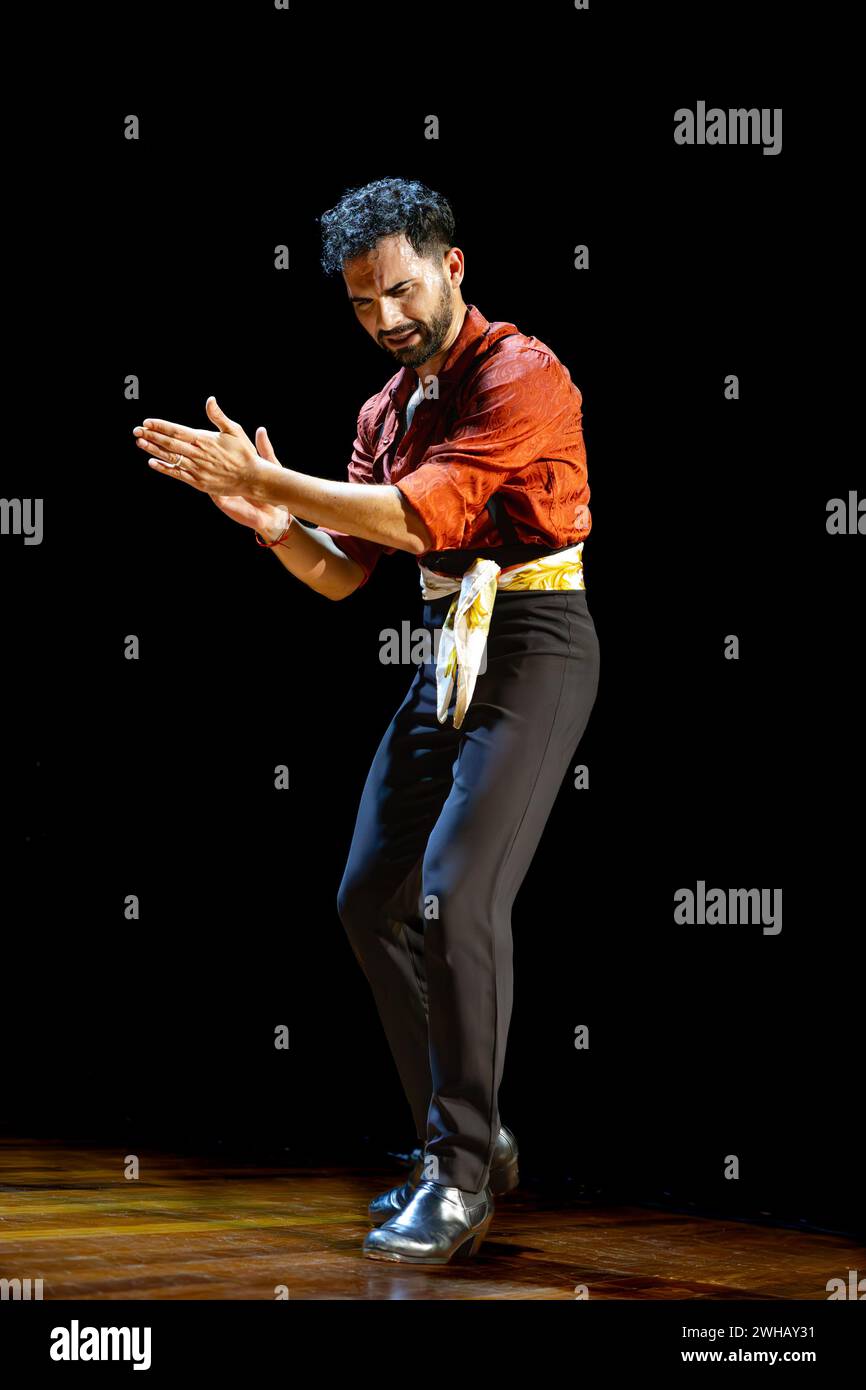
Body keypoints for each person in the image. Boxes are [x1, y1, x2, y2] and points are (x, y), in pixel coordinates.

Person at [133, 176, 600, 1267]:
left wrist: (278, 478)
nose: (385, 319)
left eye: (399, 291)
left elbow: (418, 512)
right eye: (359, 304)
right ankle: (470, 1140)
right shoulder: (381, 412)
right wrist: (267, 519)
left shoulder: (520, 373)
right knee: (366, 897)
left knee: (455, 890)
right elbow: (346, 574)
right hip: (447, 647)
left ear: (452, 267)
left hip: (536, 639)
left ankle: (455, 1168)